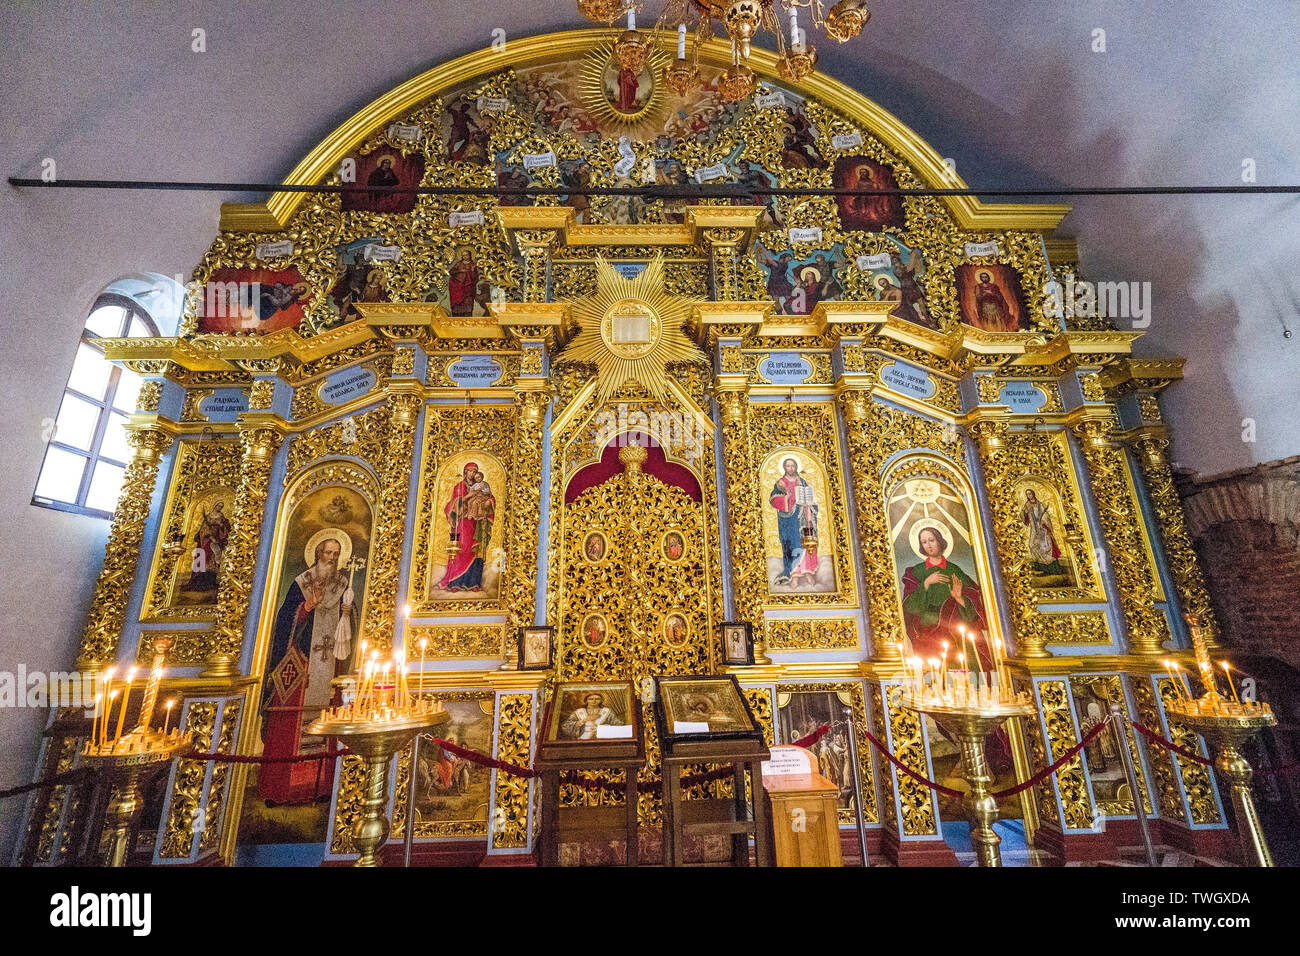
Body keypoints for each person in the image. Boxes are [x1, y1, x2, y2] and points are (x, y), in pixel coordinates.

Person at [260, 537, 358, 803]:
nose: (332, 558)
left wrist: (347, 613)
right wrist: (307, 606)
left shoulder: (342, 586)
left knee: (327, 718)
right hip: (301, 663)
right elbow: (284, 621)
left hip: (328, 664)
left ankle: (320, 787)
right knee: (290, 723)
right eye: (328, 552)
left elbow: (349, 627)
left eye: (336, 554)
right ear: (317, 553)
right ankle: (282, 788)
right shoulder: (302, 583)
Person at [900, 526, 987, 660]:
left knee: (963, 664)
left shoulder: (955, 570)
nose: (928, 545)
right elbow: (910, 607)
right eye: (924, 542)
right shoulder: (917, 571)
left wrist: (959, 598)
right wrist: (926, 583)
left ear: (939, 541)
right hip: (929, 630)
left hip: (956, 628)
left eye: (931, 540)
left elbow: (975, 605)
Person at [439, 461, 495, 591]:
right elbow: (451, 504)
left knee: (475, 550)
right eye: (470, 471)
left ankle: (473, 582)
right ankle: (455, 582)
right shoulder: (459, 486)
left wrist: (489, 502)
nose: (472, 473)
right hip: (463, 523)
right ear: (465, 472)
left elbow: (490, 498)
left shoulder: (481, 486)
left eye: (474, 471)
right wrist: (467, 497)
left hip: (478, 522)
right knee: (462, 549)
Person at [770, 457, 819, 589]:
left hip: (803, 517)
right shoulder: (781, 483)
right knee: (793, 544)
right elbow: (774, 499)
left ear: (796, 467)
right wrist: (787, 496)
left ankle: (808, 572)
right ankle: (794, 576)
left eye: (792, 466)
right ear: (784, 468)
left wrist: (810, 505)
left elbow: (810, 498)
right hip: (789, 520)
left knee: (806, 541)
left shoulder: (802, 481)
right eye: (788, 466)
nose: (790, 468)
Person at [1022, 489, 1066, 576]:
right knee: (1032, 545)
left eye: (1030, 494)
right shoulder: (1027, 505)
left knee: (1045, 547)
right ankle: (1041, 567)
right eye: (1027, 494)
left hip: (1042, 529)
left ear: (1033, 494)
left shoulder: (1039, 504)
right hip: (1034, 529)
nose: (1029, 496)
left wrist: (1043, 521)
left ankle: (1051, 569)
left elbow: (1046, 515)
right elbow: (1024, 517)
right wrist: (1025, 513)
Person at [187, 501, 230, 590]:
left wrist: (221, 526)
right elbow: (203, 529)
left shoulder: (222, 517)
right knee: (204, 558)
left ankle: (211, 582)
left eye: (221, 506)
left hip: (216, 540)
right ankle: (200, 582)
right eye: (218, 505)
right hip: (206, 541)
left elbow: (226, 529)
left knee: (214, 560)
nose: (219, 507)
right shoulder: (208, 516)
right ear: (214, 505)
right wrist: (210, 536)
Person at [448, 249, 479, 317]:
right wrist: (460, 270)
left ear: (469, 255)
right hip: (457, 287)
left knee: (467, 302)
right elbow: (451, 272)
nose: (464, 257)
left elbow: (475, 277)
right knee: (457, 304)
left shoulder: (472, 265)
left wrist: (472, 271)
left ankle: (467, 316)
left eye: (466, 255)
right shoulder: (458, 264)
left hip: (468, 288)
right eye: (463, 255)